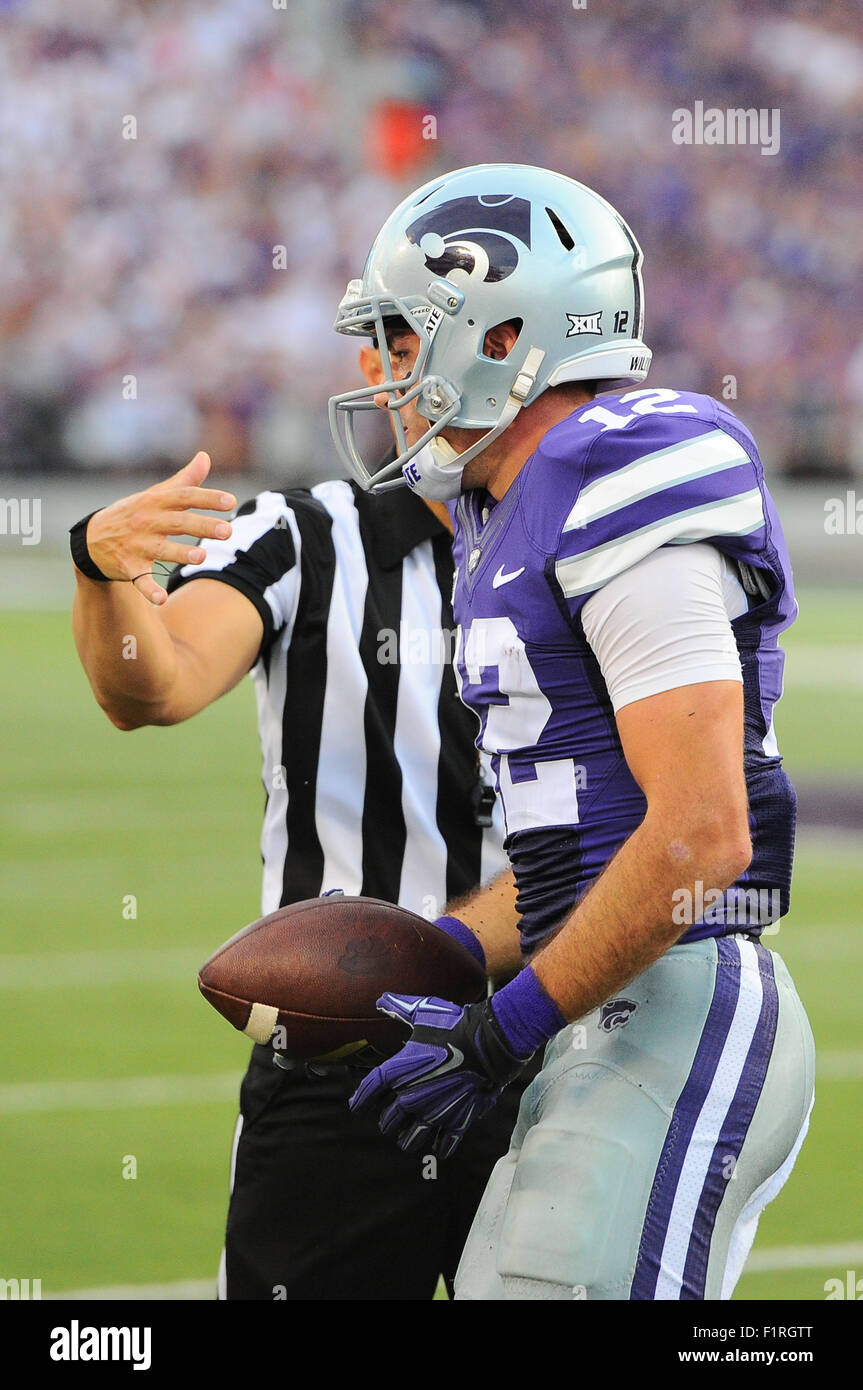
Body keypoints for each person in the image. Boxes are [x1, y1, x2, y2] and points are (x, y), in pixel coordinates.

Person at [328, 163, 816, 1300]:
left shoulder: (621, 466)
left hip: (683, 1005)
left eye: (403, 338)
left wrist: (498, 1033)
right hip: (600, 1012)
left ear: (504, 333)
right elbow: (579, 853)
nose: (381, 373)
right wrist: (436, 955)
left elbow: (701, 837)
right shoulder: (503, 513)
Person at [69, 342, 527, 1301]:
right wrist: (102, 573)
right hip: (342, 1050)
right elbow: (152, 688)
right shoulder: (306, 533)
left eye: (412, 343)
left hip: (554, 1039)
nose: (385, 370)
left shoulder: (595, 547)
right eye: (386, 342)